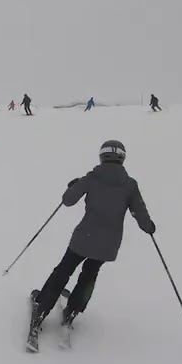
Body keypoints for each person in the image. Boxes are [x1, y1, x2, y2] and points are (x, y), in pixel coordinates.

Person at [27, 140, 155, 347]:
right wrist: (149, 226)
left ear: (102, 156)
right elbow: (140, 213)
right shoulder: (130, 185)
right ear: (122, 157)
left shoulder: (92, 178)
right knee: (89, 275)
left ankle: (41, 308)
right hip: (108, 244)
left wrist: (74, 186)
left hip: (83, 238)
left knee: (63, 270)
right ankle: (73, 310)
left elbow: (68, 200)